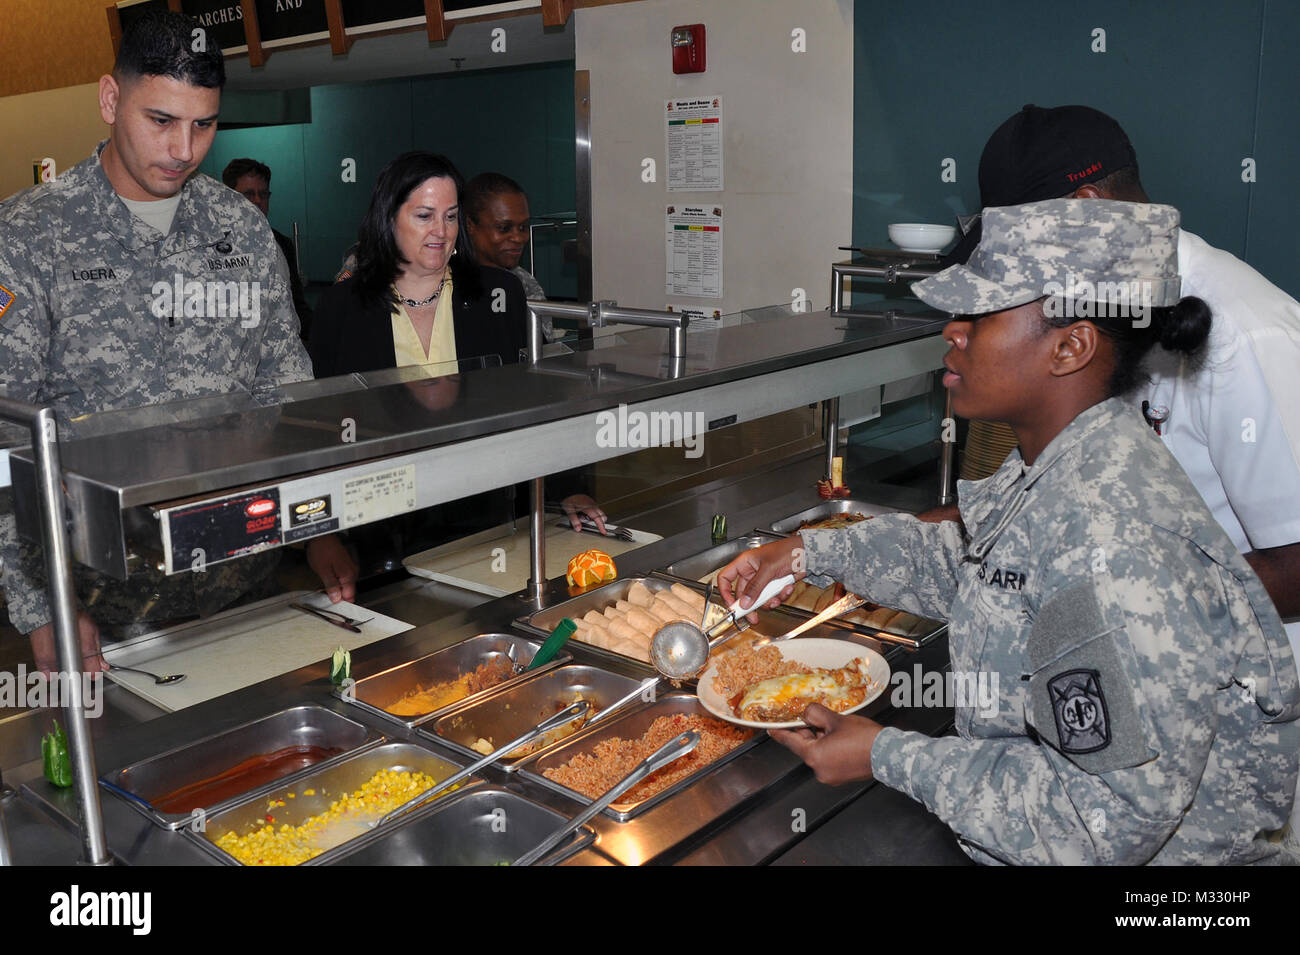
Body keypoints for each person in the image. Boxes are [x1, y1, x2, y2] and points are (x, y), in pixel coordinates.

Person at [718, 199, 1299, 865]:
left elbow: (1094, 823)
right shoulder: (1067, 463)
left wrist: (884, 753)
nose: (954, 333)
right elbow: (973, 564)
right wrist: (806, 552)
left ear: (1070, 345)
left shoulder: (1110, 538)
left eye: (982, 316)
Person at [0, 10, 354, 672]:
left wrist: (317, 527)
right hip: (102, 607)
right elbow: (7, 436)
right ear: (111, 99)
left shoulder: (240, 232)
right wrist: (40, 605)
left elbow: (289, 394)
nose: (184, 149)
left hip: (245, 585)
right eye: (160, 120)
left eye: (204, 124)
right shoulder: (28, 237)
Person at [936, 105, 1300, 664]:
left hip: (1241, 693)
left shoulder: (1248, 331)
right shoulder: (1090, 311)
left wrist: (1114, 597)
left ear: (1087, 210)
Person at [308, 152, 602, 571]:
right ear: (388, 218)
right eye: (424, 216)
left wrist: (564, 486)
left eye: (450, 217)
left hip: (486, 518)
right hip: (379, 526)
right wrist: (321, 535)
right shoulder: (343, 307)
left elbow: (534, 402)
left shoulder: (498, 294)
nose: (440, 233)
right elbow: (321, 427)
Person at [221, 157, 314, 342]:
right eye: (248, 194)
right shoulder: (215, 248)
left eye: (263, 194)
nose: (257, 201)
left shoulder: (281, 244)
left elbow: (297, 305)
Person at [462, 172, 555, 341]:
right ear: (470, 225)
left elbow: (541, 353)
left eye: (523, 227)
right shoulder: (446, 284)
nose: (519, 238)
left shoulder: (525, 283)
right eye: (504, 228)